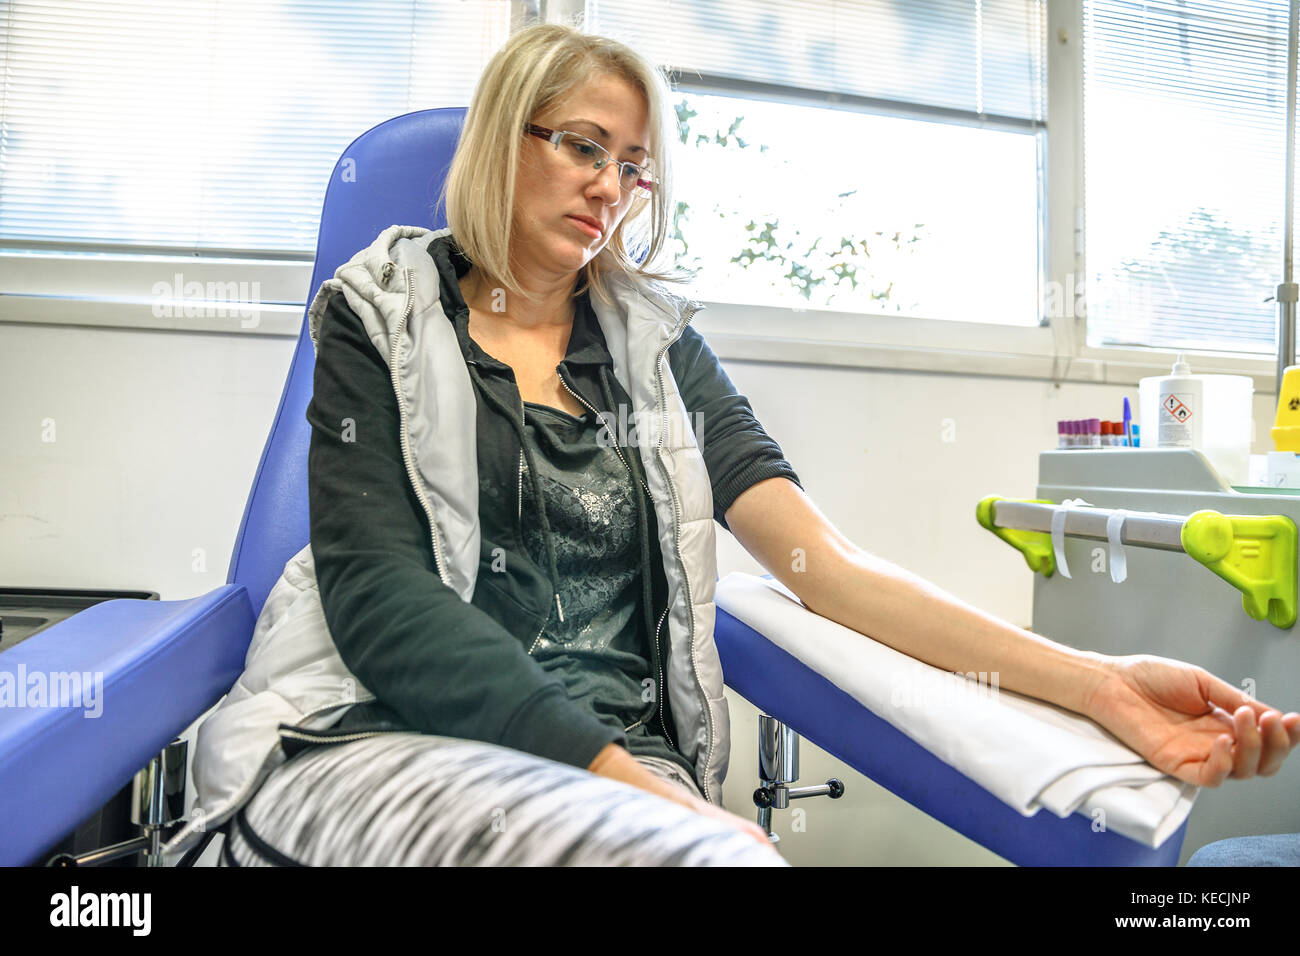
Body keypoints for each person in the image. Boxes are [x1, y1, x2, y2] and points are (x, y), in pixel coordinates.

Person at [188, 22, 1299, 867]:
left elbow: (835, 572)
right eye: (583, 146)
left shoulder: (656, 352)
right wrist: (636, 785)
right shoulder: (376, 312)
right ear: (498, 138)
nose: (609, 187)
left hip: (624, 779)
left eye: (632, 166)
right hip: (379, 740)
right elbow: (384, 601)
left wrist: (1098, 684)